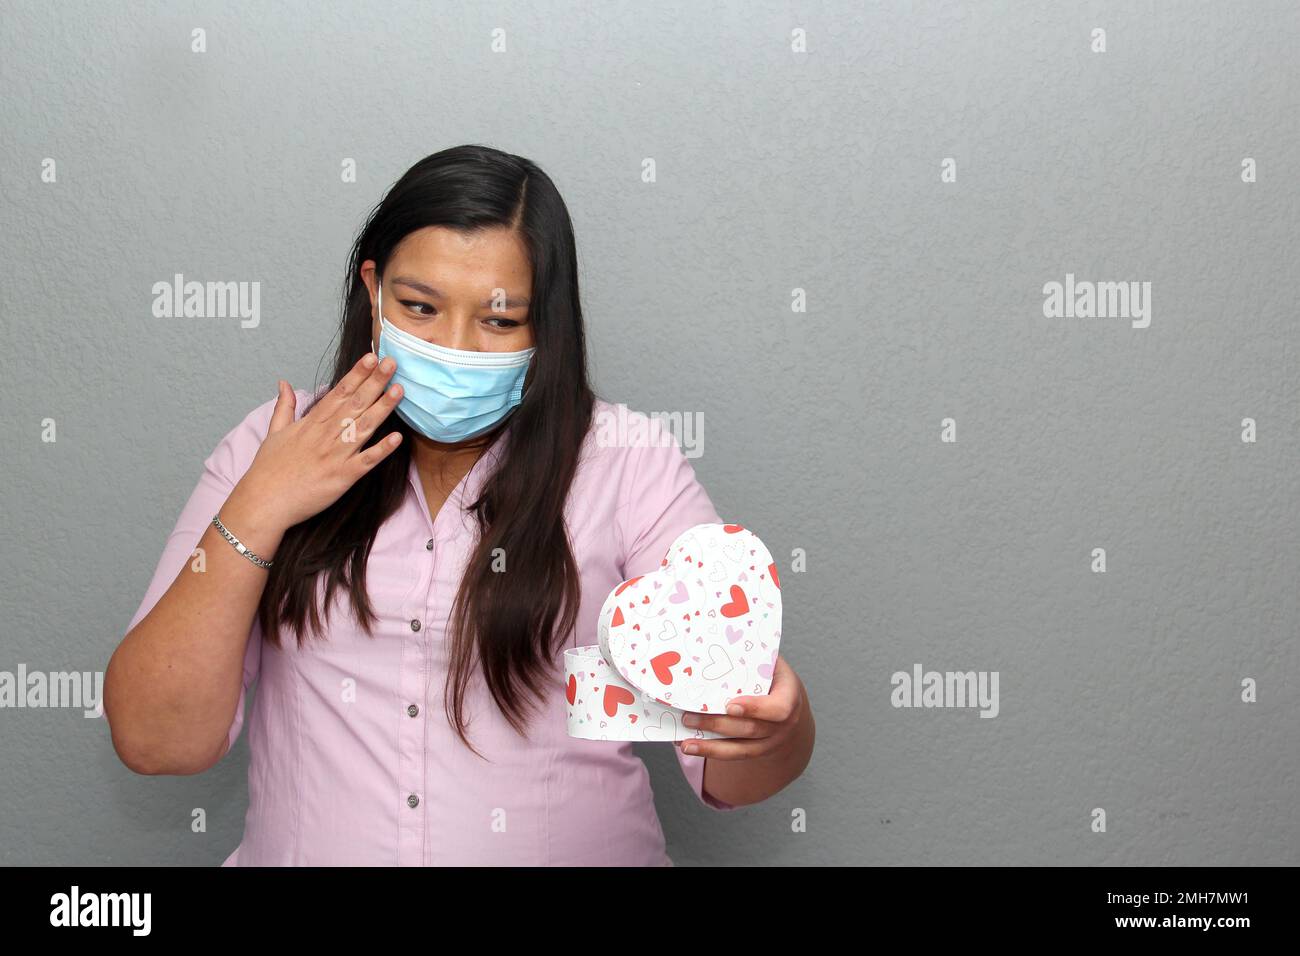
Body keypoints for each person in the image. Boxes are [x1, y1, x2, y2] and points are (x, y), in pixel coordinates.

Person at [104, 144, 815, 865]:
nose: (454, 347)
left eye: (500, 322)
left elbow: (735, 762)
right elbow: (157, 741)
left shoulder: (627, 462)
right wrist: (261, 505)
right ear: (373, 289)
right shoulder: (270, 443)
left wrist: (775, 731)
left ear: (547, 325)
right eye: (419, 307)